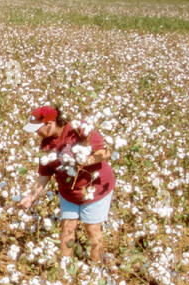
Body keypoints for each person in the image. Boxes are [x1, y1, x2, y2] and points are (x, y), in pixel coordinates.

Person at [16, 104, 115, 265]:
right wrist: (30, 197)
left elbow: (105, 151)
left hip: (95, 188)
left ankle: (97, 268)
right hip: (69, 192)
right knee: (67, 228)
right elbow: (44, 175)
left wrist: (88, 160)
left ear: (49, 123)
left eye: (37, 128)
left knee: (92, 229)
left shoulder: (78, 129)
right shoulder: (46, 146)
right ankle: (64, 269)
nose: (36, 133)